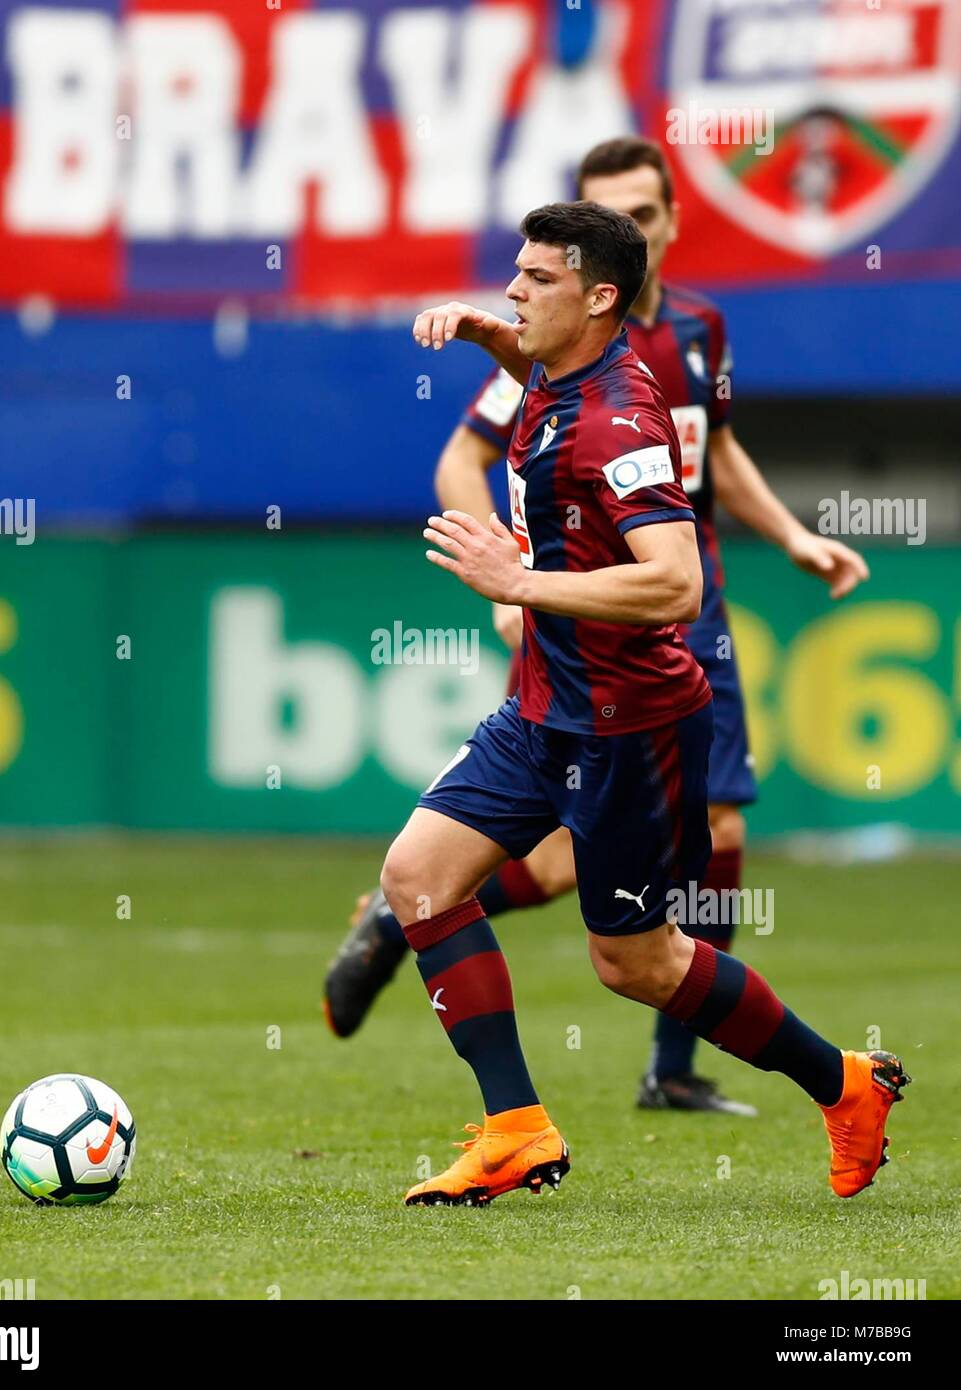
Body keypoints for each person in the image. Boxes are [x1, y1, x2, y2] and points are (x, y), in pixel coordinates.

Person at [324, 138, 869, 1118]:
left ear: (610, 280)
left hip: (629, 704)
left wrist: (517, 580)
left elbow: (672, 582)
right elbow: (504, 423)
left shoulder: (634, 397)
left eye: (534, 277)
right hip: (549, 694)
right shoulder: (554, 355)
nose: (512, 291)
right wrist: (486, 334)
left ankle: (831, 1082)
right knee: (419, 873)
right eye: (516, 273)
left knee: (636, 956)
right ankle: (514, 1127)